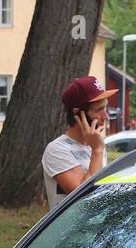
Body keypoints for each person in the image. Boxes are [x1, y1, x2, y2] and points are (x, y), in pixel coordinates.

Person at [41, 75, 115, 210]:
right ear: (78, 113)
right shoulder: (57, 150)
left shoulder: (95, 147)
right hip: (70, 231)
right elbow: (83, 197)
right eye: (99, 110)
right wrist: (97, 151)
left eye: (105, 109)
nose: (105, 117)